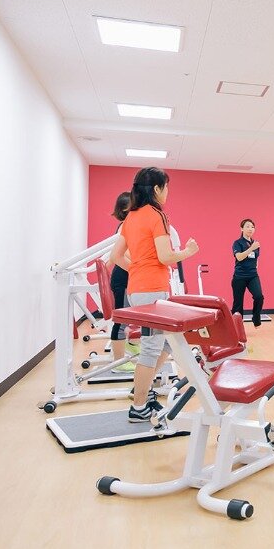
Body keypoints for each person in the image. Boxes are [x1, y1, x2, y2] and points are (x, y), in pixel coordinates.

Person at [110, 167, 199, 422]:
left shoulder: (131, 217)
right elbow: (166, 256)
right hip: (152, 291)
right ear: (157, 189)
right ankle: (139, 407)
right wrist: (189, 252)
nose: (167, 191)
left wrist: (137, 269)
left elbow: (116, 256)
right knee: (151, 348)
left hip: (138, 289)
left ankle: (144, 388)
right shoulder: (157, 215)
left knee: (167, 343)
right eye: (166, 186)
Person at [108, 191, 139, 372]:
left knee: (129, 318)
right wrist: (139, 268)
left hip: (126, 277)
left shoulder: (128, 226)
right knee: (121, 321)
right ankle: (118, 362)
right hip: (122, 279)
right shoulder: (124, 227)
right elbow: (124, 254)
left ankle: (131, 346)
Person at [231, 218, 265, 327]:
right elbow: (239, 257)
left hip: (252, 276)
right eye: (247, 226)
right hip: (239, 276)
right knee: (238, 303)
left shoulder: (256, 244)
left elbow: (255, 258)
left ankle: (256, 318)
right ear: (242, 229)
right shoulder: (237, 243)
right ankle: (237, 326)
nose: (250, 229)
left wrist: (255, 266)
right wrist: (251, 248)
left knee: (259, 297)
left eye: (252, 227)